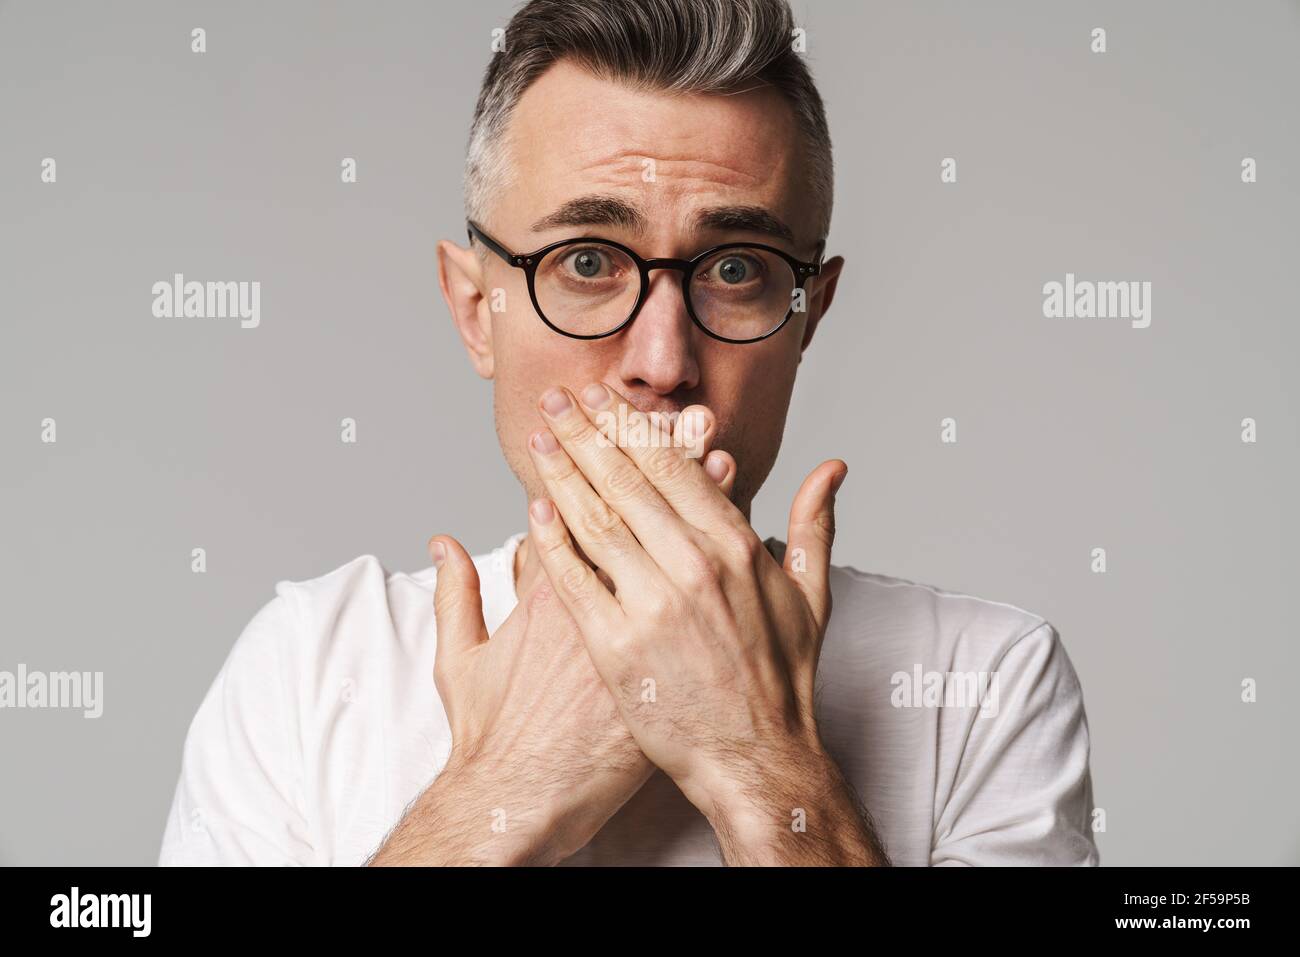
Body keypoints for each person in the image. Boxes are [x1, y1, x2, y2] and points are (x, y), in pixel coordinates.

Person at [159, 0, 1098, 866]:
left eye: (736, 266)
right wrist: (502, 786)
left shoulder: (983, 683)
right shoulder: (309, 666)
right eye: (588, 260)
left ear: (808, 316)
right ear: (475, 309)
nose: (661, 359)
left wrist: (760, 756)